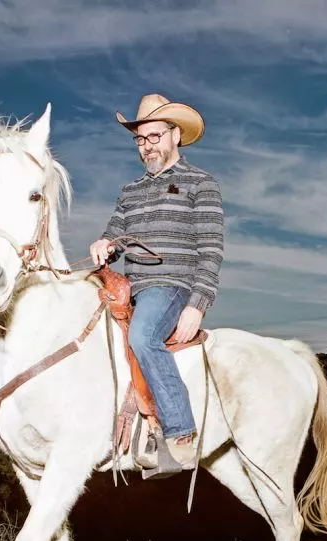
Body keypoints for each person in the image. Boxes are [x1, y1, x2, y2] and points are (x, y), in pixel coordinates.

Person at [89, 94, 224, 473]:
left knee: (143, 336)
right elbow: (115, 233)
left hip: (171, 285)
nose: (147, 145)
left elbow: (211, 250)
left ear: (175, 135)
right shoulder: (129, 191)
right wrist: (104, 244)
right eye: (140, 139)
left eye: (154, 136)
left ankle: (178, 431)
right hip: (130, 285)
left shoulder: (201, 184)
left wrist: (197, 305)